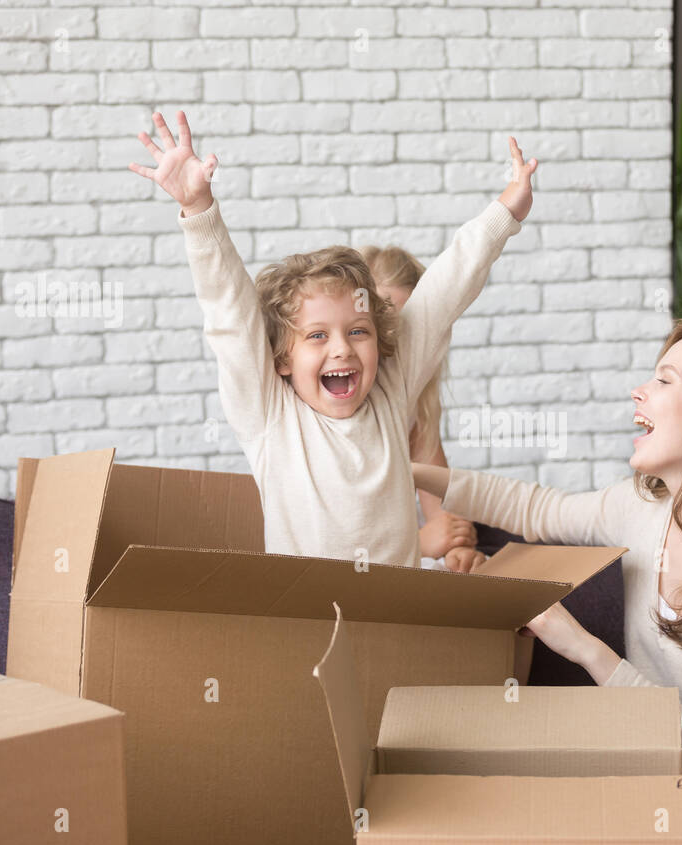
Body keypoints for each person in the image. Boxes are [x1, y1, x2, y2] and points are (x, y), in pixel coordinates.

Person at [414, 319, 682, 845]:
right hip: (670, 786)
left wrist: (583, 646)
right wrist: (409, 472)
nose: (639, 392)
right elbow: (535, 509)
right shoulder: (642, 508)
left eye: (664, 380)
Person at [128, 110, 534, 566]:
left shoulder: (392, 394)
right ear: (282, 357)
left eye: (357, 331)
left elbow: (442, 293)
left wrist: (505, 213)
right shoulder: (269, 415)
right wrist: (200, 211)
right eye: (317, 335)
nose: (341, 347)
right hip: (310, 627)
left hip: (395, 623)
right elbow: (230, 314)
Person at [360, 245, 485, 572]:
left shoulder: (414, 406)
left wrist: (456, 547)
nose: (391, 344)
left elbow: (442, 506)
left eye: (403, 331)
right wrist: (417, 543)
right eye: (377, 325)